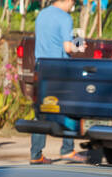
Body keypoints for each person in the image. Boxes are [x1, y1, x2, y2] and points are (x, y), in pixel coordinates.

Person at [31, 0, 89, 164]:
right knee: (68, 107)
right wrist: (80, 44)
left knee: (41, 111)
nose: (73, 6)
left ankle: (36, 155)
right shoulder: (65, 18)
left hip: (41, 67)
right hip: (59, 69)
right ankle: (67, 150)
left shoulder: (42, 15)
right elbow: (68, 47)